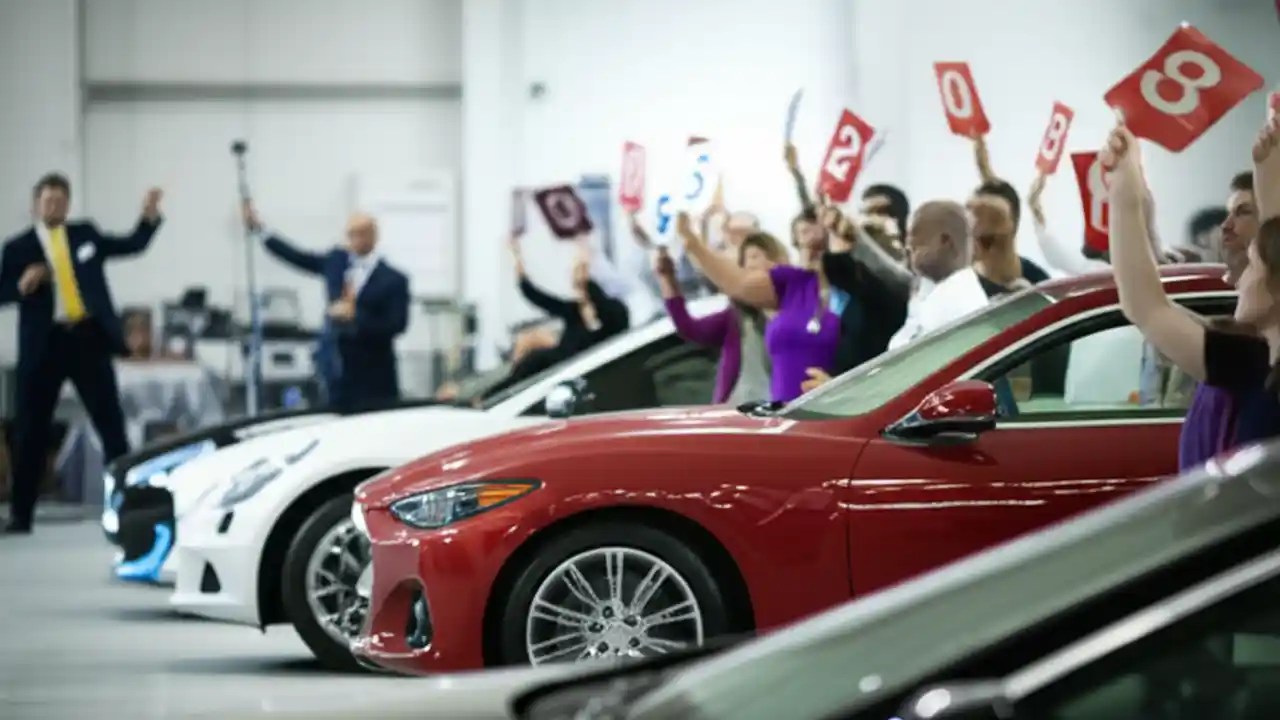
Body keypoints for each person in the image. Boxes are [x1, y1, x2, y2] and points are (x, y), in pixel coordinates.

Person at [1105, 116, 1280, 455]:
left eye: (1254, 265)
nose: (1241, 278)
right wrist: (1266, 170)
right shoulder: (1254, 360)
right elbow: (1149, 306)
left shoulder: (1253, 366)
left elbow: (1145, 306)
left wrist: (1125, 198)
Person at [0, 173, 163, 534]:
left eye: (60, 201)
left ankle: (127, 509)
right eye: (47, 201)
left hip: (87, 340)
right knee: (30, 430)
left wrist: (148, 219)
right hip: (44, 346)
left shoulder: (85, 235)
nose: (54, 207)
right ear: (35, 205)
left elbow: (131, 244)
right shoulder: (17, 248)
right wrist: (20, 284)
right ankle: (20, 515)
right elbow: (2, 292)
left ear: (68, 205)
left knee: (112, 427)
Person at [244, 203, 409, 411]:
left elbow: (397, 324)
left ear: (373, 236)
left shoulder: (394, 279)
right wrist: (261, 230)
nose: (353, 239)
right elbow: (298, 257)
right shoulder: (336, 262)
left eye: (360, 233)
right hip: (335, 369)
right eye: (350, 234)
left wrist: (355, 315)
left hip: (374, 374)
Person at [679, 211, 839, 402]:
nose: (748, 266)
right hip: (784, 417)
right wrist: (694, 244)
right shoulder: (791, 285)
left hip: (837, 410)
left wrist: (842, 389)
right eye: (799, 235)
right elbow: (738, 283)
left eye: (755, 257)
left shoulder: (854, 282)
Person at [483, 234, 629, 399]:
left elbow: (610, 320)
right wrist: (517, 259)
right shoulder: (573, 311)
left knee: (537, 358)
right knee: (530, 359)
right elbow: (536, 295)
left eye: (582, 275)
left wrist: (586, 277)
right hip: (557, 367)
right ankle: (486, 399)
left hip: (587, 373)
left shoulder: (614, 311)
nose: (578, 282)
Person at [654, 232, 788, 404]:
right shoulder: (736, 317)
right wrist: (667, 279)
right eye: (745, 260)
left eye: (755, 256)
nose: (749, 265)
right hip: (739, 414)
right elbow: (689, 328)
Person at [888, 200, 989, 349]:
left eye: (916, 238)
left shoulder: (956, 301)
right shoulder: (936, 290)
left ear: (945, 242)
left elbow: (909, 358)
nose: (908, 245)